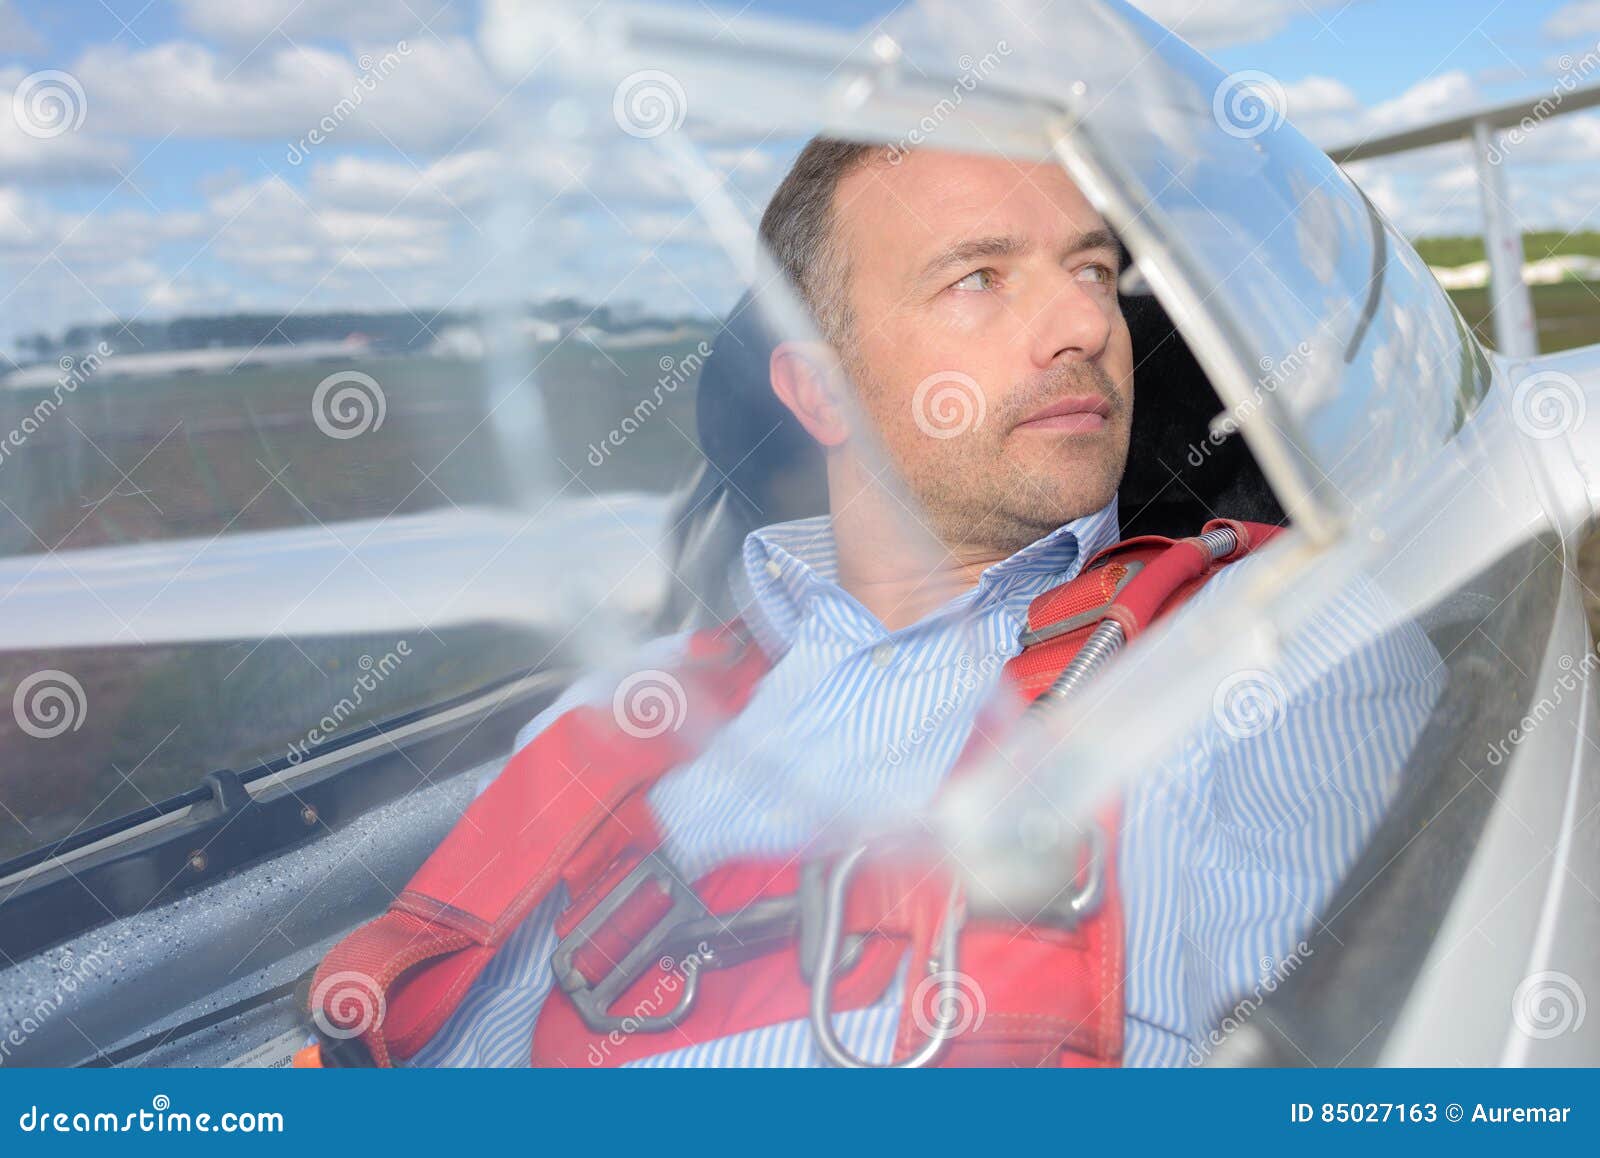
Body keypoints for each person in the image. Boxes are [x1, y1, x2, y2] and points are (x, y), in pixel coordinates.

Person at [330, 140, 1443, 1067]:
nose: (1085, 327)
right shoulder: (606, 722)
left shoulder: (1271, 647)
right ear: (818, 390)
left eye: (1093, 272)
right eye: (980, 278)